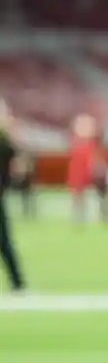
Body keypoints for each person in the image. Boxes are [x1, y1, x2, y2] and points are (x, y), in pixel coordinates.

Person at [0, 101, 27, 292]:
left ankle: (18, 282)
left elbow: (18, 169)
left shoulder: (7, 141)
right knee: (4, 240)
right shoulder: (7, 141)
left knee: (4, 240)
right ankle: (18, 282)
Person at [67, 113, 108, 226]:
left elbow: (99, 157)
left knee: (102, 193)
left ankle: (104, 215)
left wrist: (98, 167)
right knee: (78, 194)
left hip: (94, 170)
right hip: (80, 171)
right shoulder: (77, 144)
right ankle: (80, 218)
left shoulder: (95, 144)